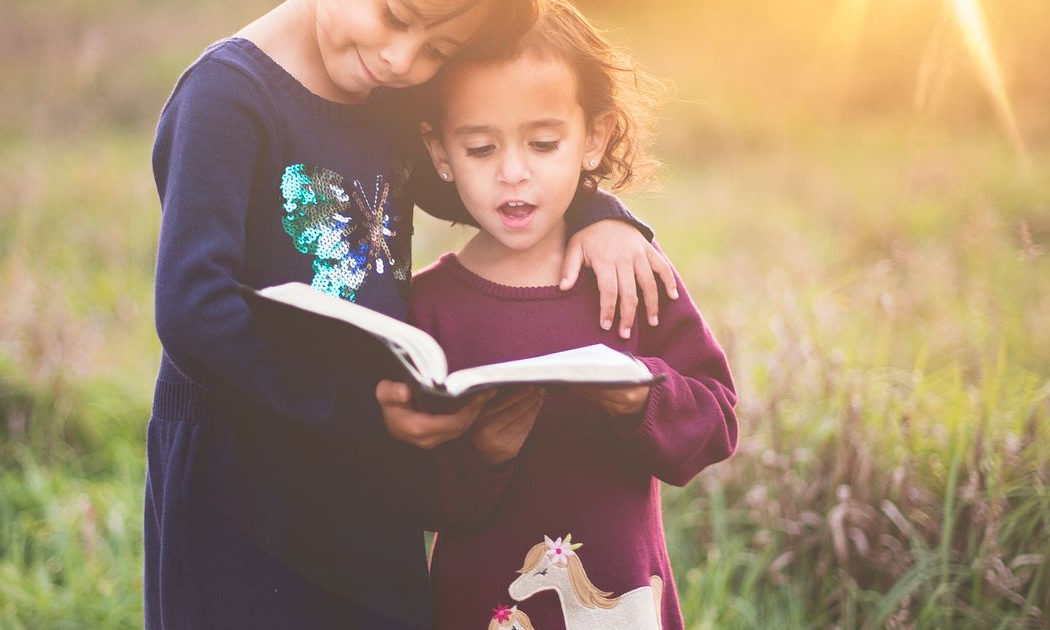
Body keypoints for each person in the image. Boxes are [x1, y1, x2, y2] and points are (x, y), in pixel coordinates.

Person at [145, 0, 680, 627]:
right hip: (242, 481)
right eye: (396, 17)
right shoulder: (227, 98)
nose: (404, 59)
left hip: (369, 472)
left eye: (438, 51)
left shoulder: (386, 95)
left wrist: (602, 215)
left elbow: (495, 184)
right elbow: (192, 309)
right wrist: (362, 405)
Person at [409, 2, 739, 628]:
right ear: (440, 150)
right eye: (479, 147)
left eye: (543, 142)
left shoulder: (628, 273)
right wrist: (480, 453)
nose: (513, 172)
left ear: (594, 136)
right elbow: (411, 496)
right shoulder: (429, 309)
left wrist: (641, 397)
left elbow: (717, 420)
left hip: (620, 606)